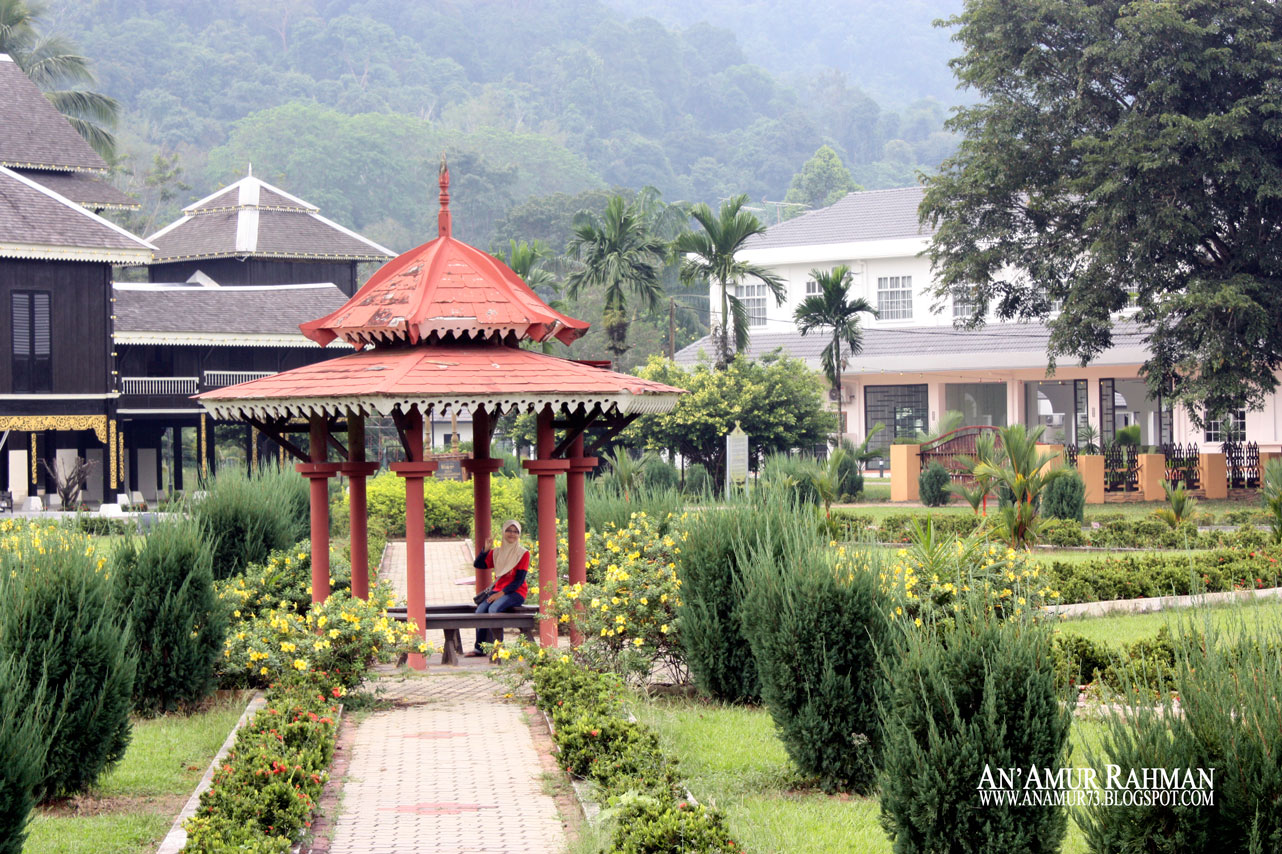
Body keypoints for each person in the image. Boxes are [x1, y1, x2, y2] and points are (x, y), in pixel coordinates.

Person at [465, 519, 529, 657]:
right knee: (480, 610)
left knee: (493, 609)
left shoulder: (523, 553)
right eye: (508, 530)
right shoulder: (497, 552)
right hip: (497, 591)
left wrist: (500, 594)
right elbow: (479, 564)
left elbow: (519, 581)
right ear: (503, 532)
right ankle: (480, 648)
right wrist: (486, 550)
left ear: (519, 534)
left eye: (515, 531)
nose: (512, 534)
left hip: (516, 592)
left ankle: (499, 647)